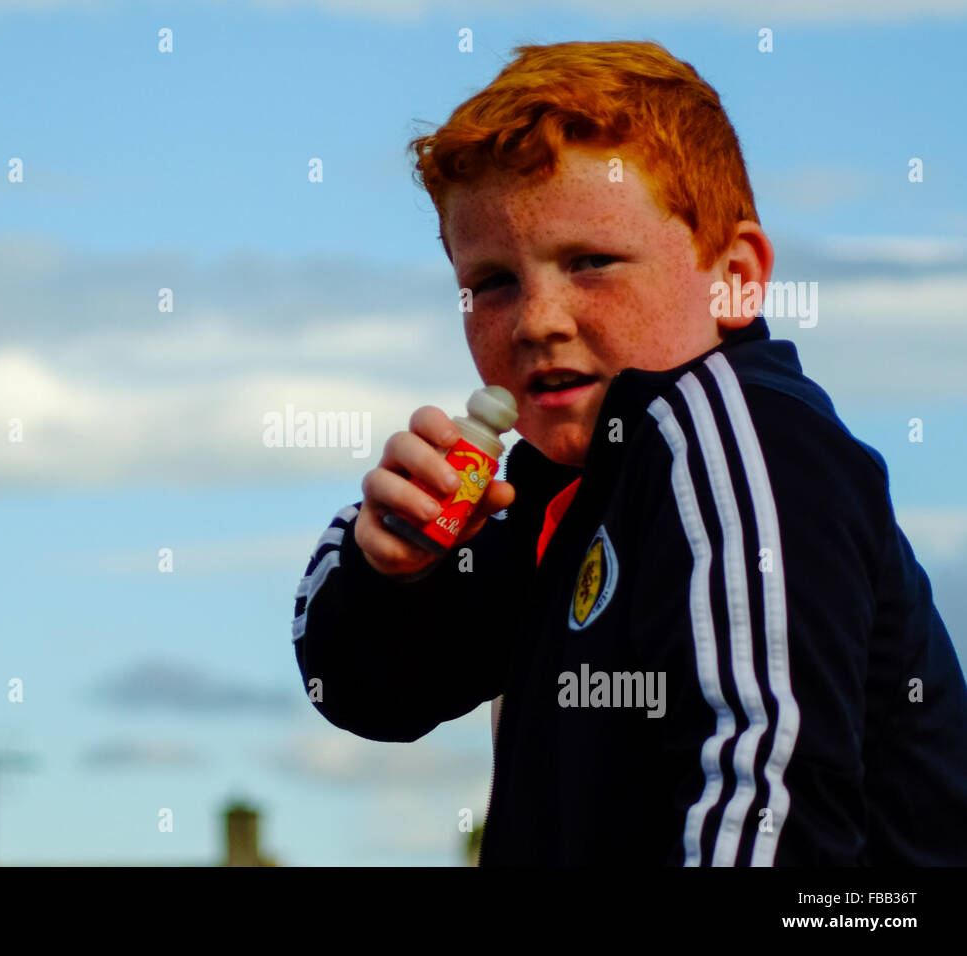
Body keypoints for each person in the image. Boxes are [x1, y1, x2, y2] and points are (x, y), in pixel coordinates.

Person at [291, 40, 967, 865]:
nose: (538, 321)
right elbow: (373, 696)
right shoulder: (548, 496)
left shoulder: (742, 436)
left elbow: (765, 801)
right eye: (494, 282)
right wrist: (393, 574)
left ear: (735, 276)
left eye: (592, 263)